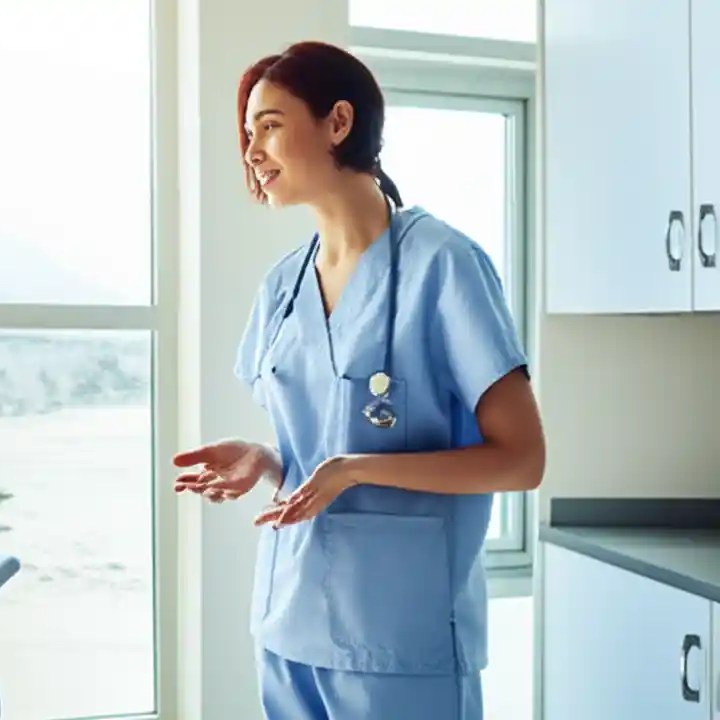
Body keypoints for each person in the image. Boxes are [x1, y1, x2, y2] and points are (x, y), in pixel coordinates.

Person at [172, 41, 546, 720]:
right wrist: (265, 461)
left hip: (403, 640)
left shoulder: (446, 265)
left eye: (271, 125)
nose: (252, 150)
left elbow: (521, 459)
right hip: (289, 624)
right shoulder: (283, 284)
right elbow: (323, 450)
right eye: (248, 132)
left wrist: (354, 469)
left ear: (338, 123)